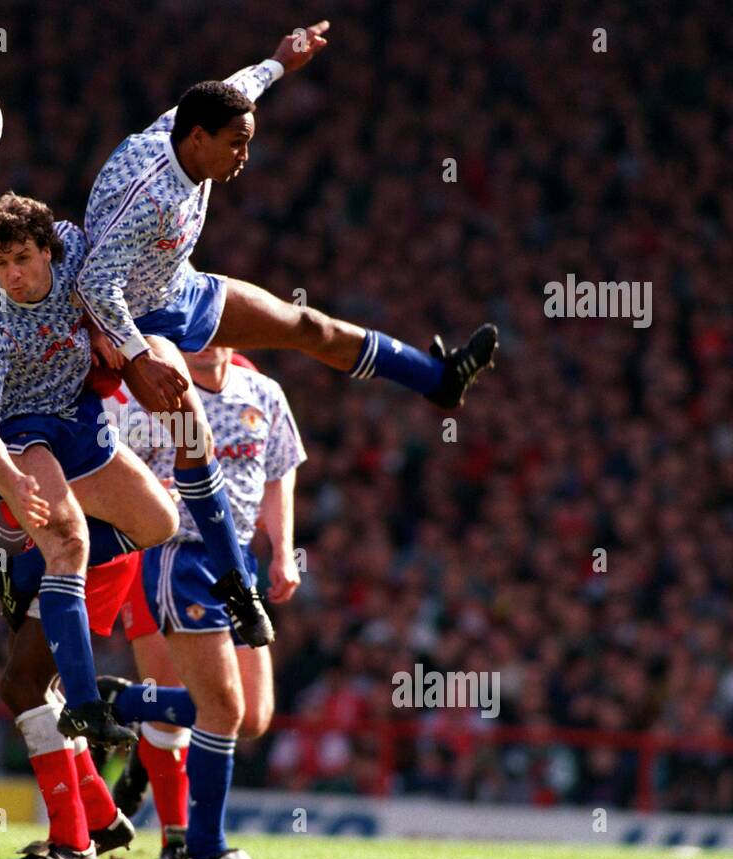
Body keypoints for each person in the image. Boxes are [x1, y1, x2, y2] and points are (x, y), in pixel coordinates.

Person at [76, 20, 497, 651]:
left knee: (305, 324)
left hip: (175, 287)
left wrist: (278, 61)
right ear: (196, 139)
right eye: (236, 145)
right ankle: (237, 588)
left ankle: (438, 380)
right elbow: (93, 287)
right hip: (125, 320)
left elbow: (237, 88)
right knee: (192, 431)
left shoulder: (189, 126)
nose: (244, 156)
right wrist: (137, 353)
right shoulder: (150, 195)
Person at [0, 192, 179, 746]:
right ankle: (83, 704)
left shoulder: (77, 245)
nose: (12, 275)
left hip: (76, 414)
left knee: (160, 523)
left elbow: (106, 291)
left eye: (22, 259)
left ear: (48, 251)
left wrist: (104, 329)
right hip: (18, 428)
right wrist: (13, 481)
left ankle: (22, 575)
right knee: (70, 543)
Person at [96, 346, 304, 859]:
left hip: (237, 564)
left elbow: (279, 471)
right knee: (214, 710)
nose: (208, 336)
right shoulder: (147, 385)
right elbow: (107, 462)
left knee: (251, 716)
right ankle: (184, 841)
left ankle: (121, 703)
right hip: (173, 556)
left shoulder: (260, 389)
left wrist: (283, 551)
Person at [0, 384, 136, 859]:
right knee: (35, 685)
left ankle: (74, 842)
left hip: (84, 543)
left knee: (24, 685)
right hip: (62, 540)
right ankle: (101, 820)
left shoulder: (56, 362)